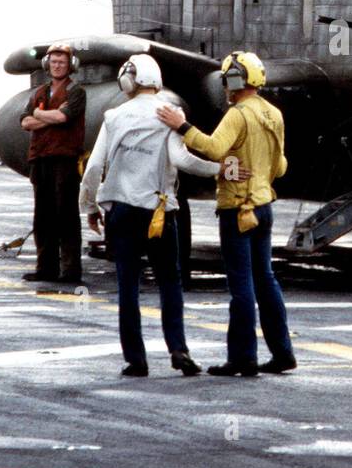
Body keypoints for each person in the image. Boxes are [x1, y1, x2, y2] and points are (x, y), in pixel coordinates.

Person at [79, 54, 230, 378]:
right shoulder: (170, 113)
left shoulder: (114, 116)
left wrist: (90, 206)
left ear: (128, 80)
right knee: (170, 282)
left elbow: (93, 167)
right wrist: (220, 170)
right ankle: (179, 350)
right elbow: (182, 159)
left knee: (128, 285)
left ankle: (137, 360)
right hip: (160, 211)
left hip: (122, 210)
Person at [158, 51, 296, 377]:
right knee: (266, 280)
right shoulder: (273, 113)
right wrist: (257, 170)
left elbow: (214, 149)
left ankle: (243, 357)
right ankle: (282, 352)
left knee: (241, 286)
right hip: (263, 205)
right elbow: (281, 165)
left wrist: (183, 127)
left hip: (237, 209)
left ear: (235, 79)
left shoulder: (238, 114)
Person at [20, 42, 86, 284]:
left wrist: (39, 115)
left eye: (62, 62)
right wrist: (47, 117)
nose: (58, 66)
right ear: (47, 65)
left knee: (66, 215)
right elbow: (25, 122)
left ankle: (70, 270)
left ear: (71, 66)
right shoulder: (39, 92)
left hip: (65, 160)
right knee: (43, 216)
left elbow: (64, 116)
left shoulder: (76, 92)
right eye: (54, 62)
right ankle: (45, 268)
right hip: (41, 159)